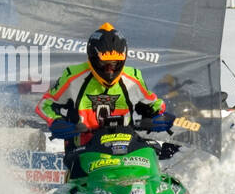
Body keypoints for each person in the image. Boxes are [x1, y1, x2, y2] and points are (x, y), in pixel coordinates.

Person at [34, 23, 171, 158]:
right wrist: (57, 121)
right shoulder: (72, 77)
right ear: (93, 58)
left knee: (152, 158)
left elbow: (155, 105)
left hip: (126, 148)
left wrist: (160, 117)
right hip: (84, 150)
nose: (109, 70)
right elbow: (45, 104)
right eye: (103, 64)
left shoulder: (134, 78)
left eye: (114, 63)